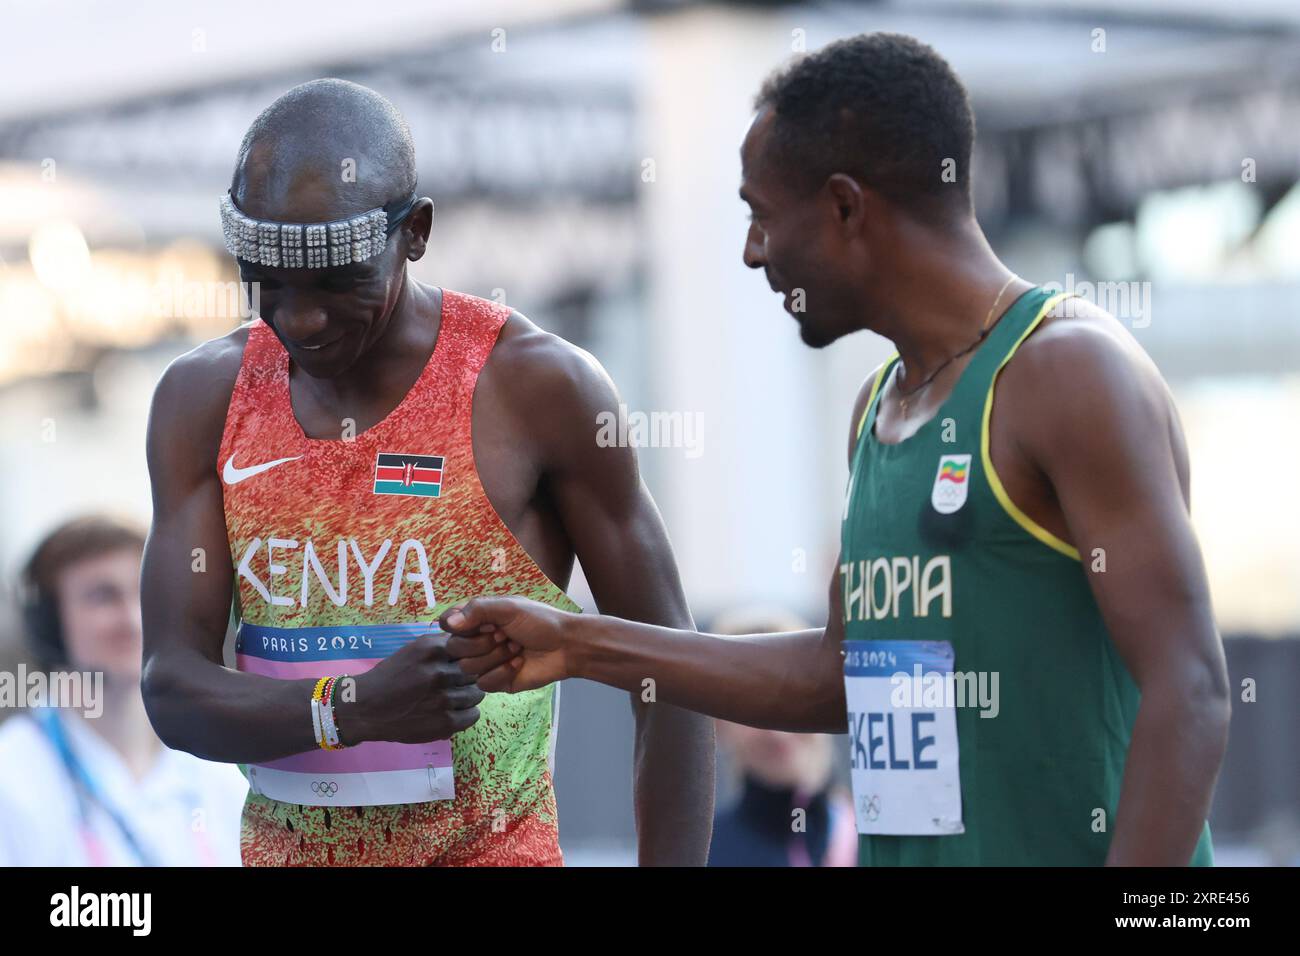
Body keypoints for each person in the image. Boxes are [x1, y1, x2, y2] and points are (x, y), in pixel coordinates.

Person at [441, 33, 1231, 866]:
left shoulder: (1068, 372)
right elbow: (835, 677)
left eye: (761, 213)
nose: (752, 252)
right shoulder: (878, 408)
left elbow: (1192, 689)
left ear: (846, 207)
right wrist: (578, 645)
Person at [139, 79, 712, 866]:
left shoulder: (535, 389)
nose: (301, 318)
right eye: (269, 279)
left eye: (339, 280)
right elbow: (172, 690)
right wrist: (352, 709)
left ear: (415, 232)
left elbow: (672, 677)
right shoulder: (203, 398)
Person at [0, 515, 248, 866]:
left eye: (144, 592)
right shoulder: (11, 777)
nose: (133, 619)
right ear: (48, 625)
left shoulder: (217, 766)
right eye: (103, 597)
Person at [707, 608, 855, 868]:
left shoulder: (886, 836)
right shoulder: (698, 854)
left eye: (795, 698)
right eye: (752, 709)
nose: (778, 732)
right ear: (718, 724)